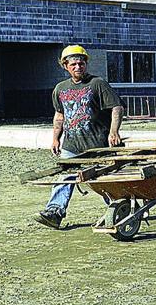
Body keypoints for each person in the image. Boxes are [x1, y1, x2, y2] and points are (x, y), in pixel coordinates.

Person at [34, 45, 124, 229]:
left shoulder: (97, 84)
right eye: (73, 64)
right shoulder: (60, 88)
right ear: (65, 65)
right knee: (65, 178)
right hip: (71, 146)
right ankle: (54, 212)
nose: (78, 67)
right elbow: (60, 115)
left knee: (104, 182)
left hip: (98, 146)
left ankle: (120, 210)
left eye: (81, 63)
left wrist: (114, 131)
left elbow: (117, 107)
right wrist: (55, 138)